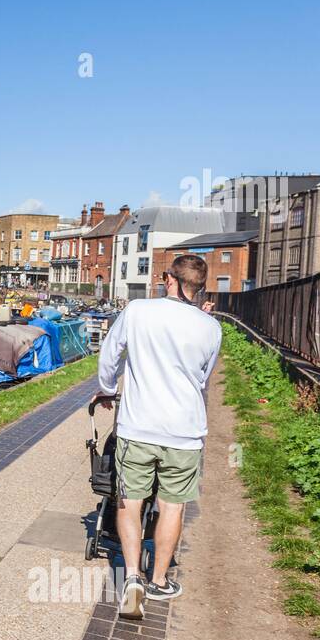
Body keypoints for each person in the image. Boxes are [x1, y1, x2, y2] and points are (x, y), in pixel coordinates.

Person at [93, 254, 222, 619]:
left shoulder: (137, 311)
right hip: (184, 431)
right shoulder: (210, 327)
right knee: (173, 506)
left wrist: (106, 389)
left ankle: (132, 578)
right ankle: (160, 580)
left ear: (169, 280)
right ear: (199, 288)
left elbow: (109, 355)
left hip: (139, 426)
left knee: (129, 501)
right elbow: (201, 379)